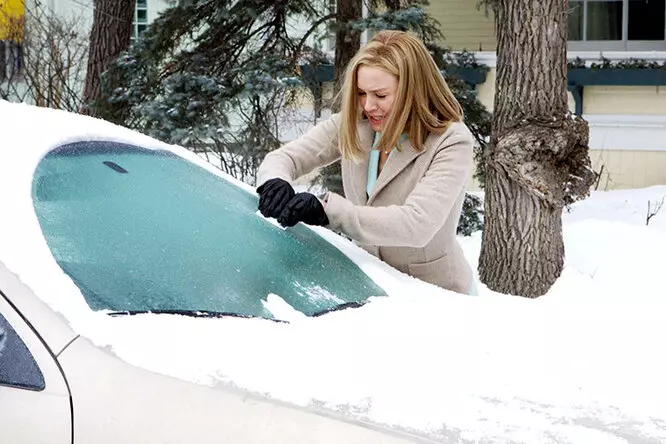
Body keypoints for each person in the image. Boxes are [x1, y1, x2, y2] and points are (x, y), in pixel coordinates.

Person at [255, 30, 476, 295]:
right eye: (361, 93)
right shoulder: (356, 123)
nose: (368, 105)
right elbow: (284, 158)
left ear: (413, 91)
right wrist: (274, 182)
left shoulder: (450, 141)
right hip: (369, 289)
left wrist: (329, 212)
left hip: (434, 296)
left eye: (380, 95)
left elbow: (417, 224)